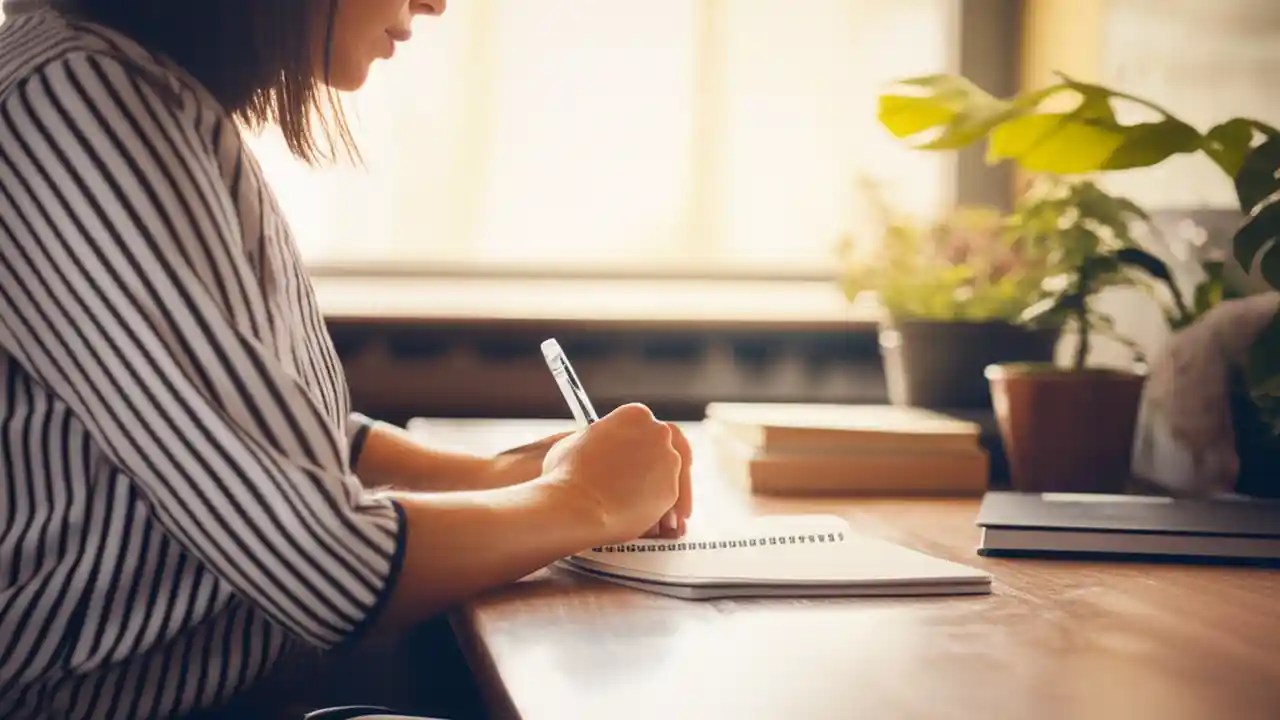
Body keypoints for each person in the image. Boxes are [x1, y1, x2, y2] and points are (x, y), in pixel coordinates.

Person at [0, 2, 694, 718]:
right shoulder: (80, 109)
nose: (434, 2)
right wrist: (581, 501)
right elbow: (321, 562)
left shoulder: (139, 98)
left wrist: (504, 475)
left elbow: (271, 440)